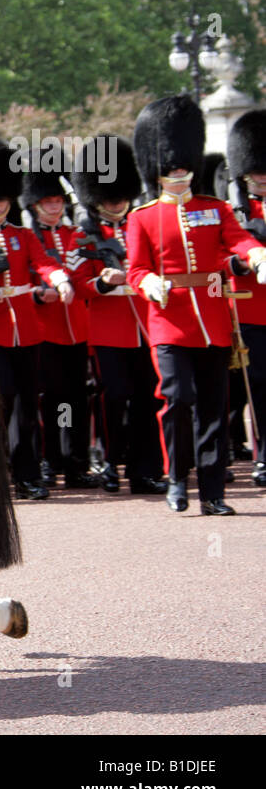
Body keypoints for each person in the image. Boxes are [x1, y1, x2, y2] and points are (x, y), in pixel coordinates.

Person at [127, 95, 266, 515]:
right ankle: (176, 476)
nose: (179, 172)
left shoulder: (214, 208)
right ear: (160, 170)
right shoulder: (143, 217)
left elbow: (238, 240)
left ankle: (211, 492)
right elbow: (136, 269)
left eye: (183, 165)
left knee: (213, 407)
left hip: (213, 320)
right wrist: (151, 283)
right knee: (178, 397)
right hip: (169, 322)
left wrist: (257, 254)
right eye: (171, 167)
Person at [0, 139, 76, 499]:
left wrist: (60, 279)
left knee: (27, 406)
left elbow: (43, 263)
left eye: (2, 199)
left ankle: (26, 474)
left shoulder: (23, 236)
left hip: (26, 331)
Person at [69, 136, 166, 496]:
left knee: (148, 397)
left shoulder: (143, 223)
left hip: (147, 325)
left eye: (120, 195)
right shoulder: (84, 235)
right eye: (108, 198)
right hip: (109, 329)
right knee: (114, 397)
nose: (116, 203)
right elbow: (79, 284)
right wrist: (103, 284)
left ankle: (146, 470)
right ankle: (110, 462)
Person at [20, 143, 100, 489]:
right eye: (48, 202)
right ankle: (50, 459)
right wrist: (41, 295)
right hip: (44, 329)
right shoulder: (28, 239)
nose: (54, 207)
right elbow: (23, 280)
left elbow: (84, 281)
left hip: (77, 329)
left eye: (58, 201)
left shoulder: (75, 235)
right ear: (35, 205)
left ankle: (76, 463)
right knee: (50, 400)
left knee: (76, 398)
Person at [222, 109, 266, 486]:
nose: (262, 177)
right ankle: (263, 456)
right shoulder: (233, 211)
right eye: (256, 171)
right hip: (250, 307)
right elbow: (221, 257)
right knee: (259, 385)